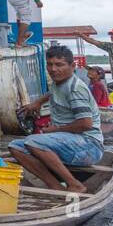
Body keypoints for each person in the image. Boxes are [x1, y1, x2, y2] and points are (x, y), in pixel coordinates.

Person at [9, 44, 103, 194]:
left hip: (89, 146)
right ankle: (55, 186)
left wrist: (55, 129)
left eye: (59, 65)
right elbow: (52, 92)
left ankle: (75, 184)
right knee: (15, 146)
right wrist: (37, 102)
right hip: (70, 142)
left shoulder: (75, 89)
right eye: (50, 65)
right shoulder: (59, 83)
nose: (53, 69)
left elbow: (86, 123)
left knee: (33, 141)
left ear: (73, 66)